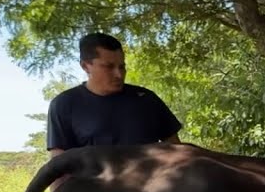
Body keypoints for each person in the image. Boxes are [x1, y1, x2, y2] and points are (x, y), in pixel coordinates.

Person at [46, 32, 183, 158]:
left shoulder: (147, 99)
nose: (119, 74)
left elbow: (177, 152)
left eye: (122, 67)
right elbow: (59, 165)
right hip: (92, 178)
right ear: (86, 66)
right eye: (109, 67)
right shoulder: (64, 105)